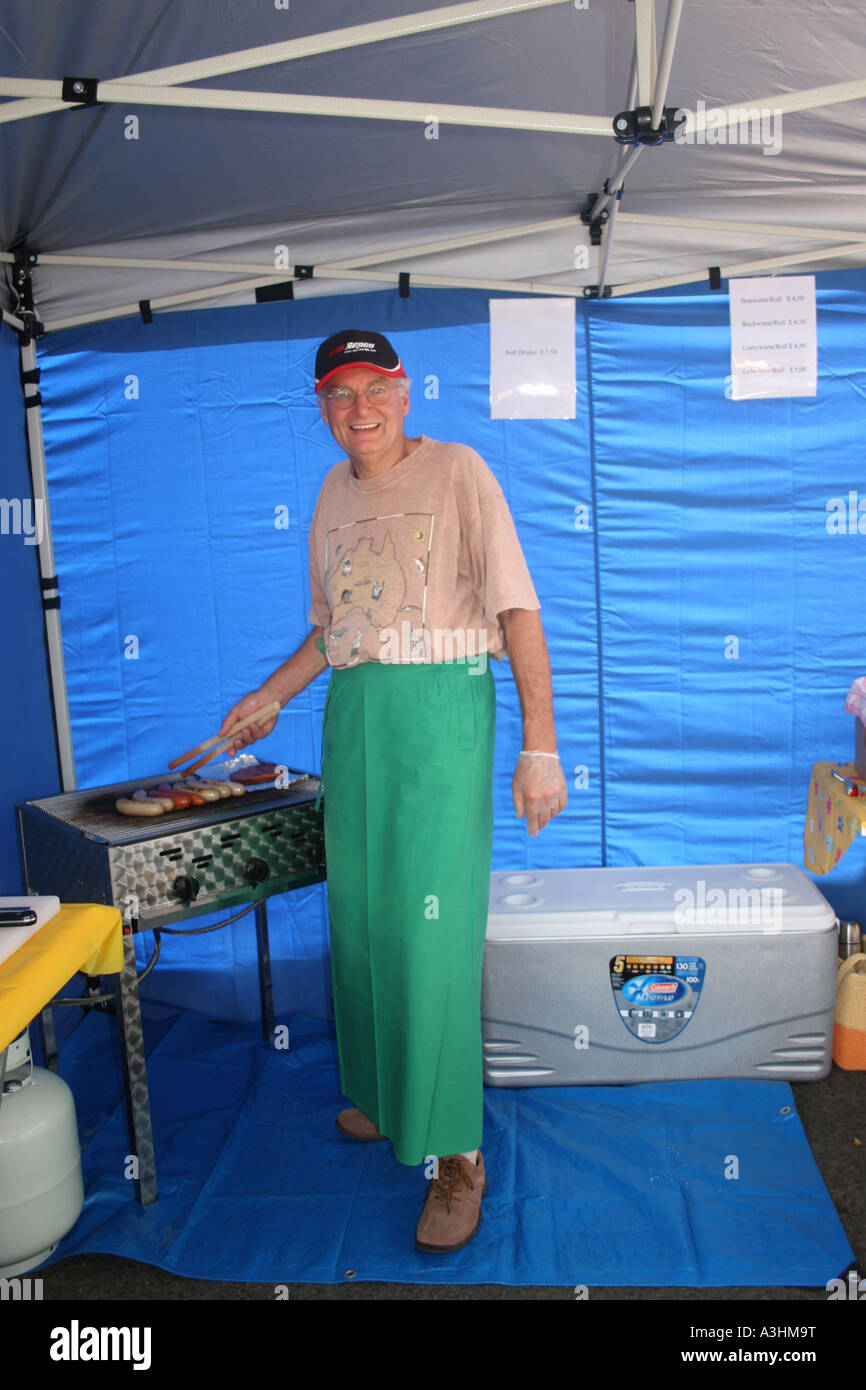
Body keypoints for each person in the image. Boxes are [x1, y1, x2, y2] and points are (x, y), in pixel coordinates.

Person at [218, 328, 567, 1253]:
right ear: (324, 409)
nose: (356, 409)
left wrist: (541, 744)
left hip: (442, 719)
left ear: (404, 395)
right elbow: (333, 633)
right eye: (337, 395)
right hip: (357, 716)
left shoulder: (459, 471)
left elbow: (517, 608)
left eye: (373, 389)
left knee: (430, 934)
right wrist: (270, 696)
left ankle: (456, 1155)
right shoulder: (332, 495)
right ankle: (385, 1094)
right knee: (365, 921)